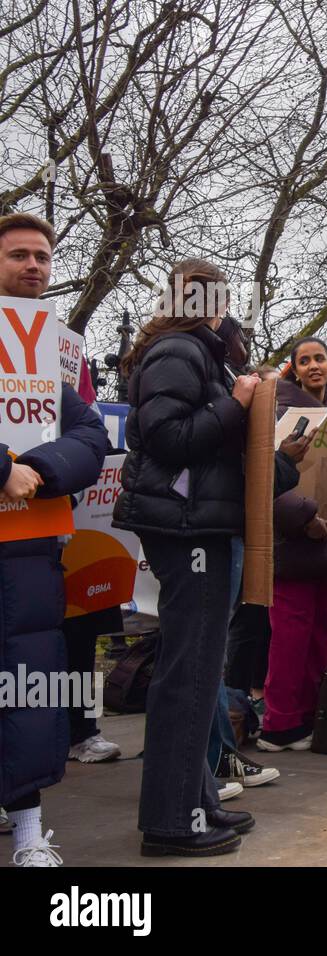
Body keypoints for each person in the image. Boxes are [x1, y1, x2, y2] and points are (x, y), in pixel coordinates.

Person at [111, 258, 266, 856]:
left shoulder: (200, 352)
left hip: (197, 523)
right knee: (189, 672)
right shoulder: (179, 351)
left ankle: (196, 802)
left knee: (199, 672)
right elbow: (171, 437)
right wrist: (238, 403)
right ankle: (172, 821)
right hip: (186, 531)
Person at [0, 212, 110, 866]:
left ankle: (30, 835)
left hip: (26, 560)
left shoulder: (45, 363)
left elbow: (90, 438)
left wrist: (37, 472)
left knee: (27, 692)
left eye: (43, 256)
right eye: (19, 255)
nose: (34, 266)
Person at [255, 338, 327, 751]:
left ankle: (312, 714)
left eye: (321, 358)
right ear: (294, 369)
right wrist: (305, 519)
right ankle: (278, 724)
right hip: (293, 543)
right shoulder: (279, 414)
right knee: (290, 639)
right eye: (306, 360)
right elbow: (267, 482)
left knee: (321, 635)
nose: (315, 365)